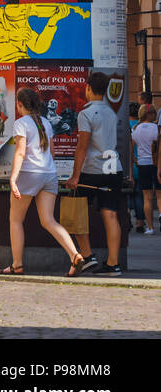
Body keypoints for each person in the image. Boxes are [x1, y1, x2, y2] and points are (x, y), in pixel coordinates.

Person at [6, 87, 88, 276]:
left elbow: (20, 152)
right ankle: (75, 255)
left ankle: (17, 265)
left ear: (19, 104)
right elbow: (52, 152)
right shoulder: (45, 122)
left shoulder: (21, 124)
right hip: (49, 173)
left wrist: (13, 178)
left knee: (16, 220)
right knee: (49, 220)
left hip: (29, 173)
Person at [67, 71, 123, 275]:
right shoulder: (111, 112)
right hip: (113, 168)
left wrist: (74, 176)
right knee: (110, 214)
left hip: (92, 169)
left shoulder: (86, 113)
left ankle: (88, 255)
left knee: (77, 211)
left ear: (88, 88)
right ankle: (113, 263)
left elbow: (82, 146)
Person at [132, 105, 158, 235]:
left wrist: (135, 160)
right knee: (159, 195)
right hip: (156, 164)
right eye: (153, 112)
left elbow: (130, 148)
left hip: (142, 164)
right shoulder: (156, 129)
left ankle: (150, 227)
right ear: (150, 114)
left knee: (146, 197)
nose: (155, 115)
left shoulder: (136, 129)